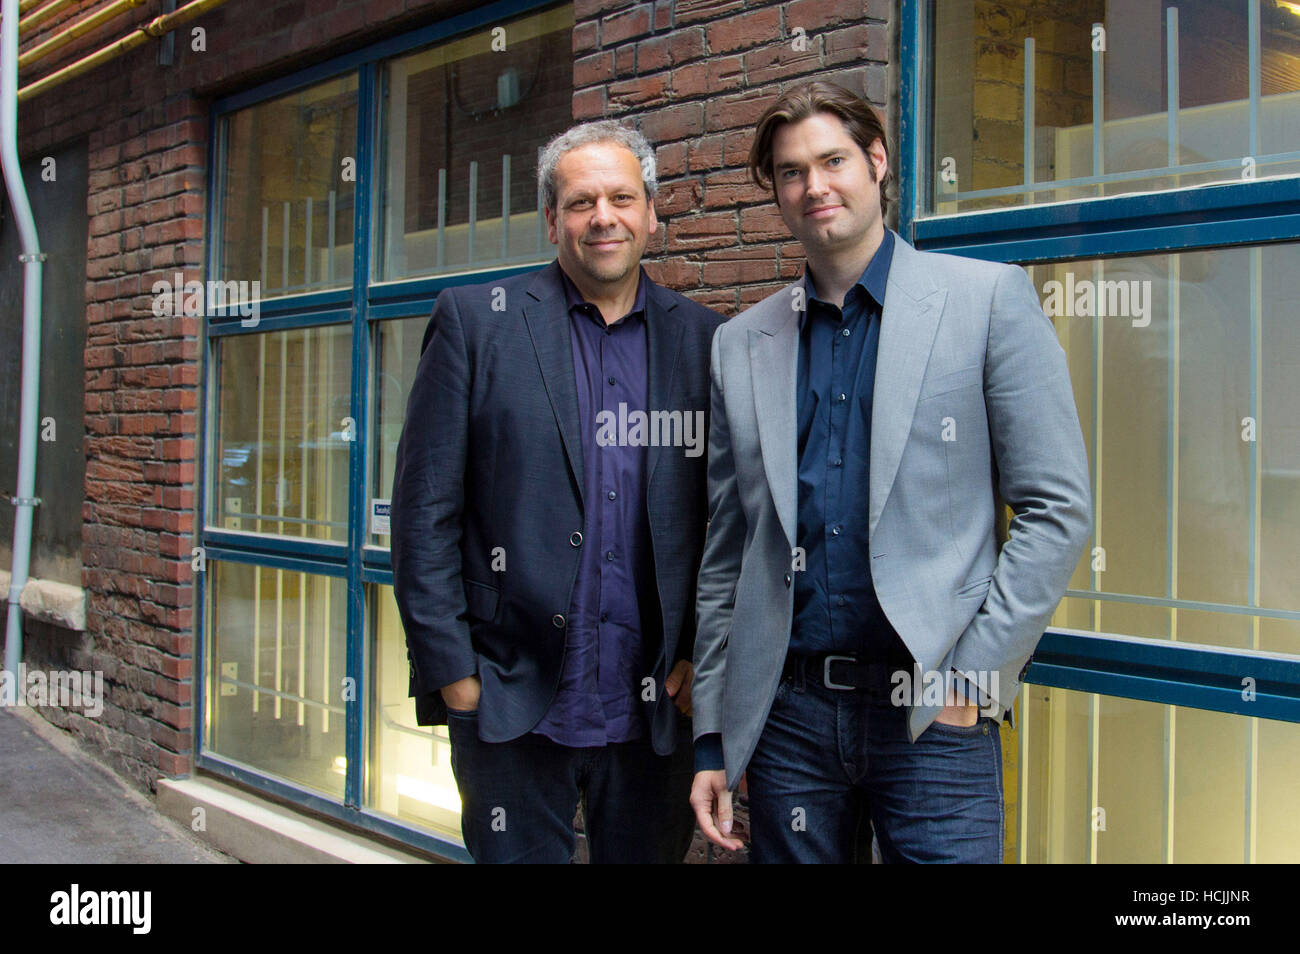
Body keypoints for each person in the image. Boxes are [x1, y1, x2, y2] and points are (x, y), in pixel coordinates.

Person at [688, 81, 1093, 863]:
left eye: (833, 160)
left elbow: (1057, 509)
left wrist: (975, 681)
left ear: (876, 162)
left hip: (932, 716)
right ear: (776, 192)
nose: (815, 186)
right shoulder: (741, 344)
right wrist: (713, 734)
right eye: (791, 172)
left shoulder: (986, 301)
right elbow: (727, 556)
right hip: (789, 723)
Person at [390, 121, 724, 863]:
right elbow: (423, 516)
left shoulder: (703, 341)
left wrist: (703, 654)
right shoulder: (477, 324)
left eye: (621, 198)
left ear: (651, 214)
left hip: (652, 714)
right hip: (511, 706)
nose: (602, 217)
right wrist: (456, 678)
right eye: (580, 202)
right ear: (551, 220)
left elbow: (725, 519)